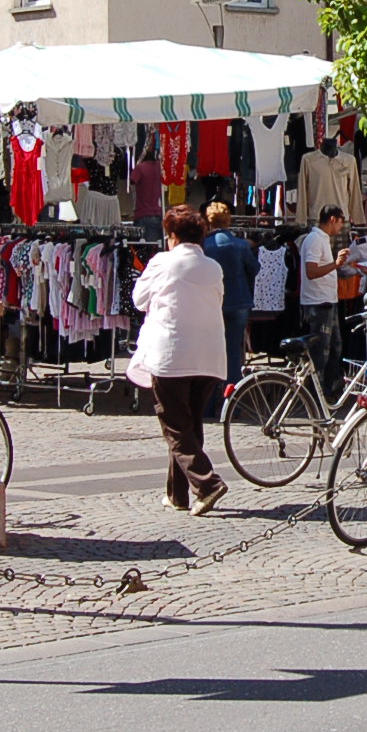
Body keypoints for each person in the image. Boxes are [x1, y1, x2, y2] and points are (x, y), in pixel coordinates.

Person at [129, 205, 229, 515]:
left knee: (175, 427)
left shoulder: (162, 262)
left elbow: (138, 300)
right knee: (189, 424)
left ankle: (208, 483)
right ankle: (177, 494)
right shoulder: (213, 267)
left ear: (172, 236)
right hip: (210, 355)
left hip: (172, 354)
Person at [202, 201, 260, 415]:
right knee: (234, 353)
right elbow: (255, 268)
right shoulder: (240, 245)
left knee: (210, 353)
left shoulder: (204, 246)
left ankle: (208, 405)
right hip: (238, 303)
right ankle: (233, 405)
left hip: (212, 304)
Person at [298, 205, 350, 399]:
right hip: (318, 303)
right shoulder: (314, 240)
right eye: (341, 221)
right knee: (321, 351)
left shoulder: (322, 239)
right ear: (333, 219)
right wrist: (335, 265)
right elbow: (311, 272)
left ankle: (329, 388)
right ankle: (315, 394)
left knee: (334, 346)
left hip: (327, 301)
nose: (341, 226)